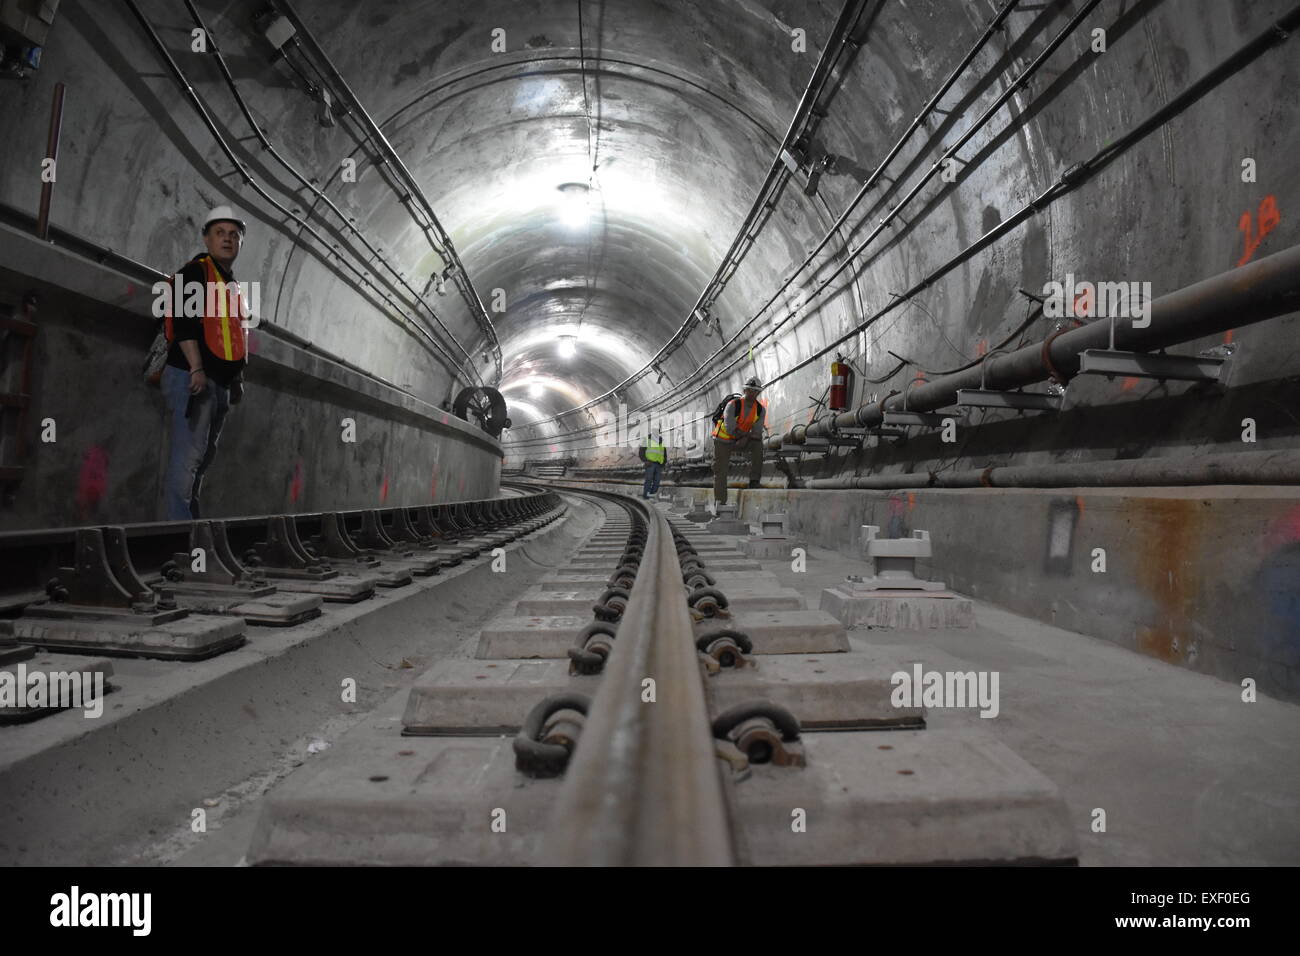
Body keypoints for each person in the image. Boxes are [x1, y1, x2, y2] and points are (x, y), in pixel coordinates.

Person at [160, 205, 249, 520]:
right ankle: (178, 530)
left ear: (240, 243)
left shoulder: (232, 284)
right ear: (207, 239)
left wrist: (236, 380)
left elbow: (235, 334)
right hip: (193, 378)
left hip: (220, 384)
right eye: (220, 233)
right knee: (189, 456)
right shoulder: (195, 272)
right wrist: (196, 368)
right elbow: (183, 323)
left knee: (203, 457)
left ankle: (191, 525)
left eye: (233, 235)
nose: (227, 239)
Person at [712, 376, 767, 506]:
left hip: (741, 440)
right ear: (745, 390)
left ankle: (754, 481)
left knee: (757, 445)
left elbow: (757, 434)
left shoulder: (760, 410)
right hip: (723, 441)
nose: (752, 393)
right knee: (721, 471)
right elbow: (730, 428)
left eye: (755, 391)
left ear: (758, 393)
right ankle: (720, 503)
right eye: (750, 390)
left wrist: (746, 438)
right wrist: (746, 436)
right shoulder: (733, 405)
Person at [638, 431, 667, 499]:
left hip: (659, 465)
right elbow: (641, 451)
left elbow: (664, 454)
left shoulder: (661, 441)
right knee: (649, 480)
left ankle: (651, 495)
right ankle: (646, 496)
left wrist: (663, 463)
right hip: (650, 464)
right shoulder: (647, 440)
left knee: (657, 482)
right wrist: (645, 460)